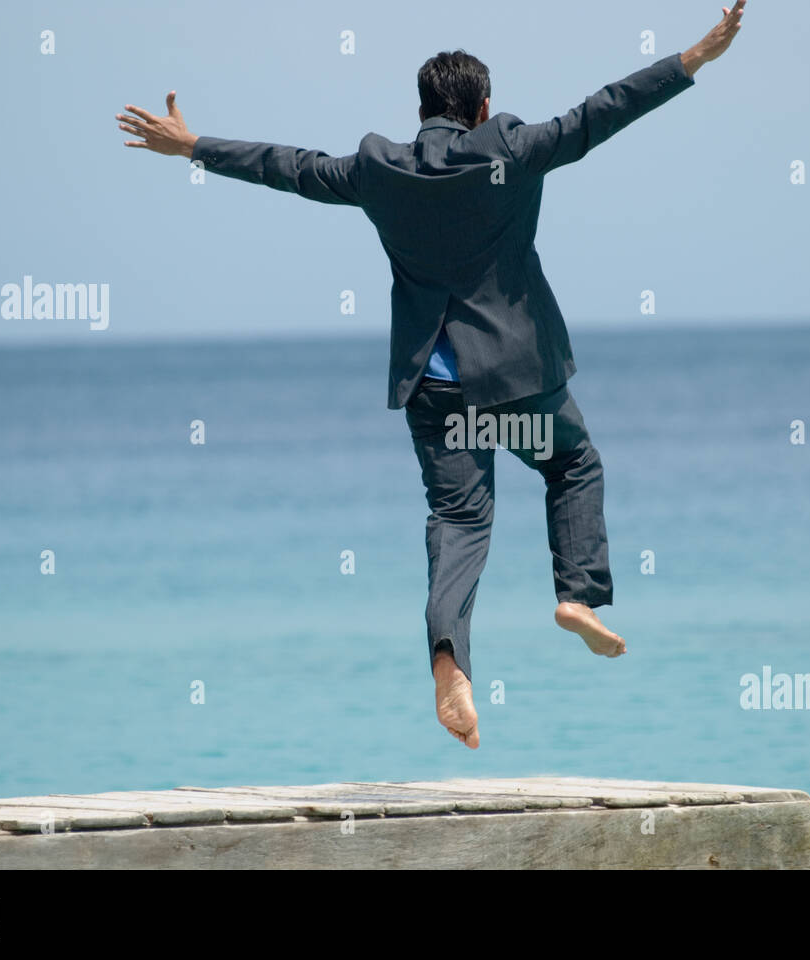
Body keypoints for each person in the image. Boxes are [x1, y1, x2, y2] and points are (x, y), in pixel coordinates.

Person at [117, 2, 747, 749]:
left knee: (460, 522)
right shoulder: (511, 148)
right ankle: (578, 596)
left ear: (421, 112)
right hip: (518, 381)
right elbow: (601, 112)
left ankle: (451, 661)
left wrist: (193, 146)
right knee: (572, 464)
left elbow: (287, 166)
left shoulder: (380, 168)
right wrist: (692, 59)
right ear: (480, 108)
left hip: (434, 388)